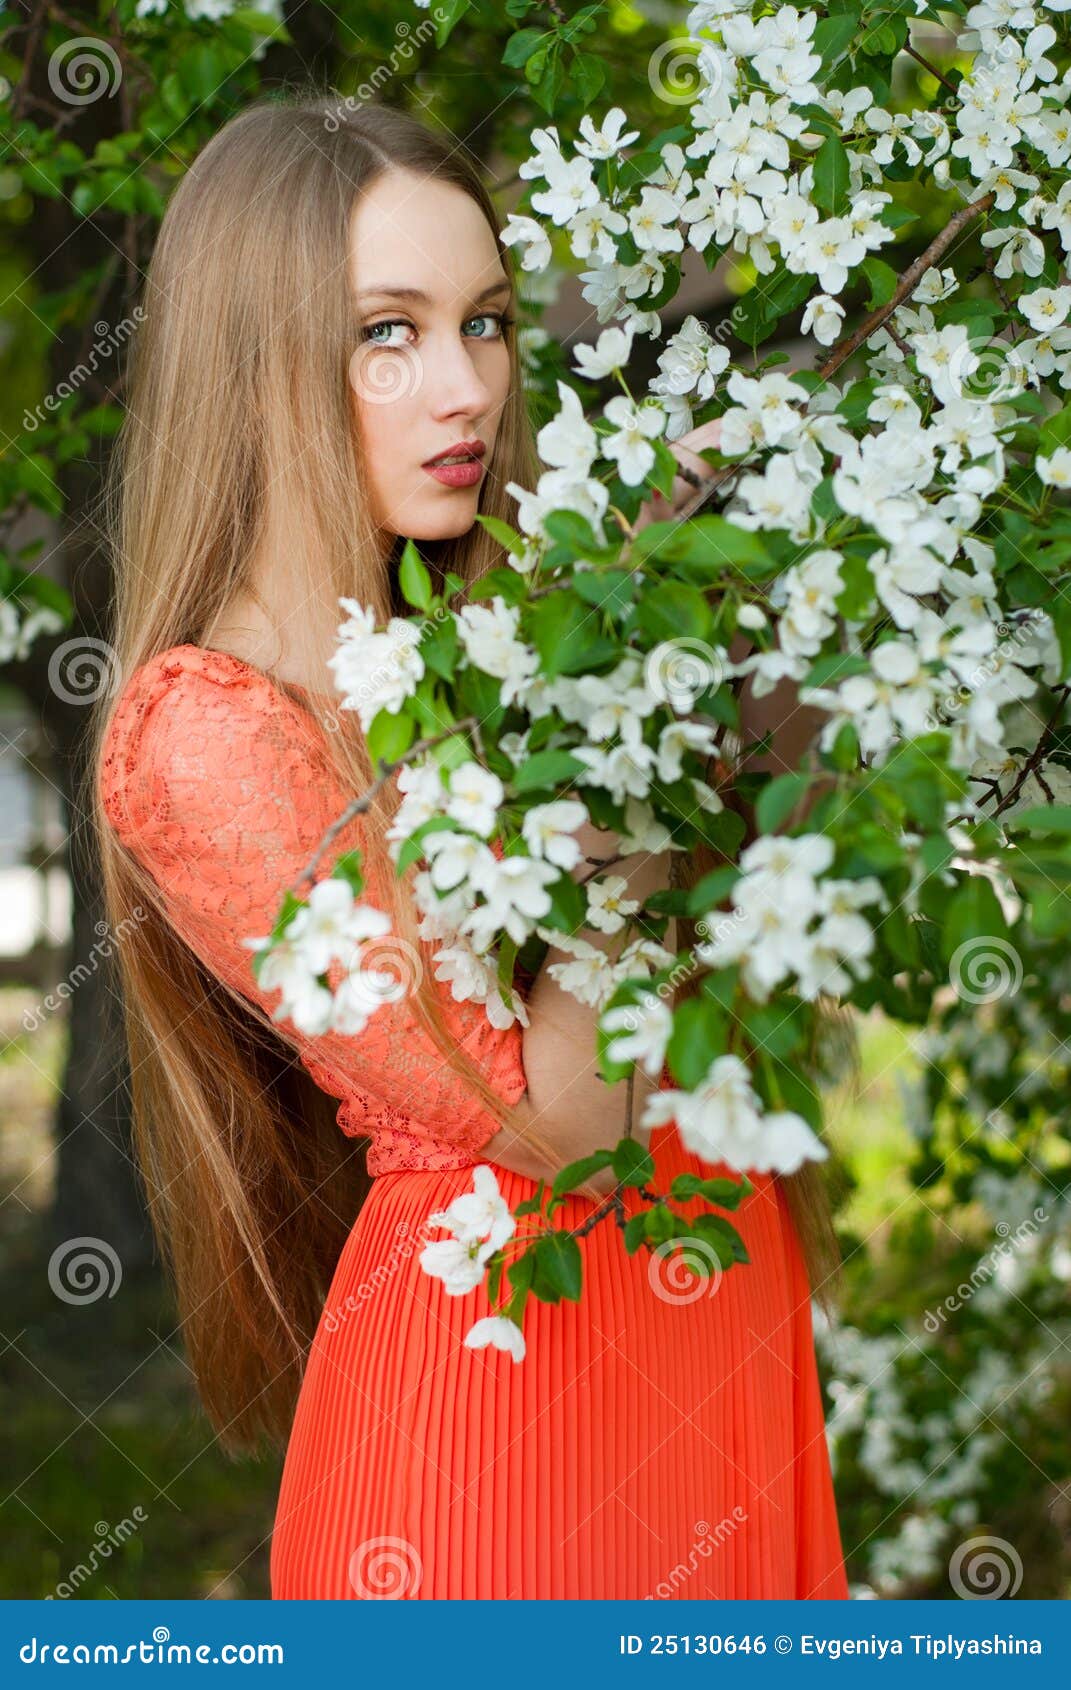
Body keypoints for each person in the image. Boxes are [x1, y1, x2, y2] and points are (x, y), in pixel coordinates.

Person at [91, 92, 849, 1600]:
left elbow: (748, 965)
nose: (468, 390)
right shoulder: (210, 732)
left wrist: (737, 640)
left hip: (713, 1335)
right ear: (258, 368)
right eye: (389, 331)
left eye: (487, 323)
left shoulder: (508, 627)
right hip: (492, 1429)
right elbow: (565, 1126)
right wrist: (628, 720)